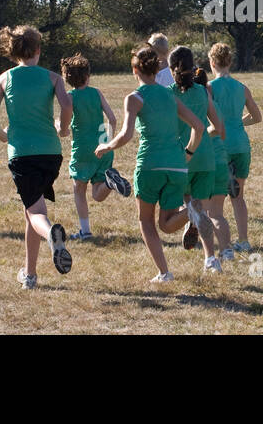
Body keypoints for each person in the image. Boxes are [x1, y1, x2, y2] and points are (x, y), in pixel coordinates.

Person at [95, 45, 205, 283]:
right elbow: (199, 126)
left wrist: (107, 146)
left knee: (146, 221)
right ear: (157, 69)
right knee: (166, 224)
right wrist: (188, 152)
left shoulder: (134, 98)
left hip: (150, 165)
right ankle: (192, 210)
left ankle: (164, 273)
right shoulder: (170, 95)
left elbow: (126, 134)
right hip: (177, 166)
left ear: (135, 70)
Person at [0, 26, 76, 286]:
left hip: (22, 154)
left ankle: (52, 237)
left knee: (36, 214)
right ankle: (30, 275)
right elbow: (67, 105)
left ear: (13, 52)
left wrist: (6, 137)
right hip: (51, 154)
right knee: (33, 210)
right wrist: (64, 128)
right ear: (38, 49)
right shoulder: (53, 77)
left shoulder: (5, 78)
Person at [168, 45, 229, 273]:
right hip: (205, 158)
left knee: (189, 205)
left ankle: (191, 220)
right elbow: (218, 127)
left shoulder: (168, 93)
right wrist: (202, 135)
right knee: (201, 210)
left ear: (170, 66)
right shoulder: (203, 91)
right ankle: (211, 259)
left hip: (181, 157)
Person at [61, 53, 132, 241]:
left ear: (67, 79)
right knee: (98, 194)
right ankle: (110, 182)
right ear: (87, 75)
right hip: (103, 148)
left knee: (79, 189)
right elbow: (113, 119)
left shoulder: (70, 97)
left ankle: (85, 231)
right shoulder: (96, 93)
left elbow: (65, 126)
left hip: (83, 150)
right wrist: (108, 142)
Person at [208, 43, 262, 253]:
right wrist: (238, 122)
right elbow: (257, 117)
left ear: (212, 63)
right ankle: (244, 239)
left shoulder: (209, 88)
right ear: (230, 62)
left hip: (220, 146)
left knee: (216, 202)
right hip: (241, 145)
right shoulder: (242, 88)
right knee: (238, 197)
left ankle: (224, 244)